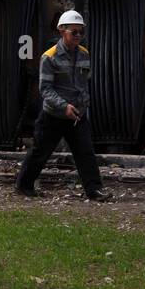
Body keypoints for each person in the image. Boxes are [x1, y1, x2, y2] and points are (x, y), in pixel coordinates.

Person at [16, 10, 112, 201]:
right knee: (40, 152)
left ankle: (94, 190)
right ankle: (24, 185)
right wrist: (64, 106)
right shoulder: (49, 57)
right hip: (53, 117)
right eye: (74, 32)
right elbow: (45, 89)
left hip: (77, 115)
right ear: (62, 30)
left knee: (85, 152)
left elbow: (84, 82)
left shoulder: (84, 54)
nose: (78, 36)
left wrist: (82, 105)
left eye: (81, 32)